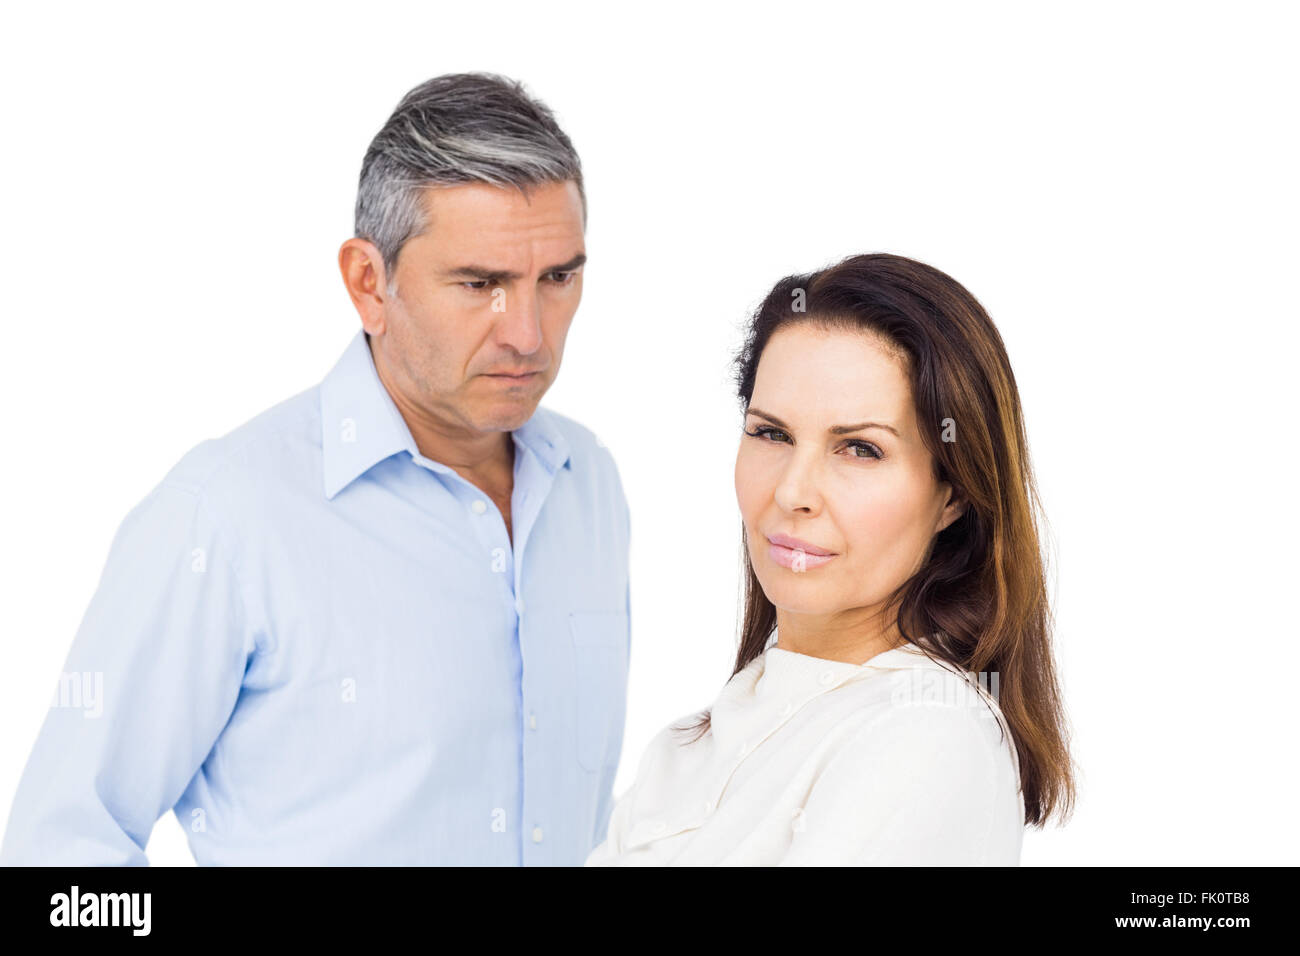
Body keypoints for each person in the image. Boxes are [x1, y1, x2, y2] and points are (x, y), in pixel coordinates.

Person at [0, 72, 630, 866]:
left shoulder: (589, 485)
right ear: (370, 283)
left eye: (558, 278)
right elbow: (57, 857)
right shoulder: (225, 517)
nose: (530, 335)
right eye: (481, 285)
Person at [587, 253, 1075, 866]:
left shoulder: (927, 734)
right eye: (772, 433)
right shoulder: (691, 745)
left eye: (860, 449)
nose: (792, 492)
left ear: (953, 493)